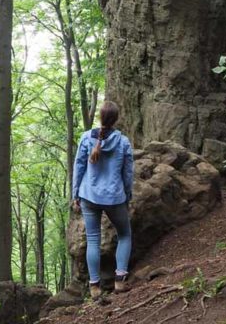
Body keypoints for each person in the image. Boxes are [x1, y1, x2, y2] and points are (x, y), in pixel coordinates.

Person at [72, 100, 134, 301]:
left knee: (92, 240)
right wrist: (127, 195)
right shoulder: (123, 142)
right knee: (124, 234)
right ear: (116, 119)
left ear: (100, 117)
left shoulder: (85, 138)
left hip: (89, 196)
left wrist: (75, 195)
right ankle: (120, 280)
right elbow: (128, 172)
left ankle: (95, 287)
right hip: (114, 197)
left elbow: (79, 167)